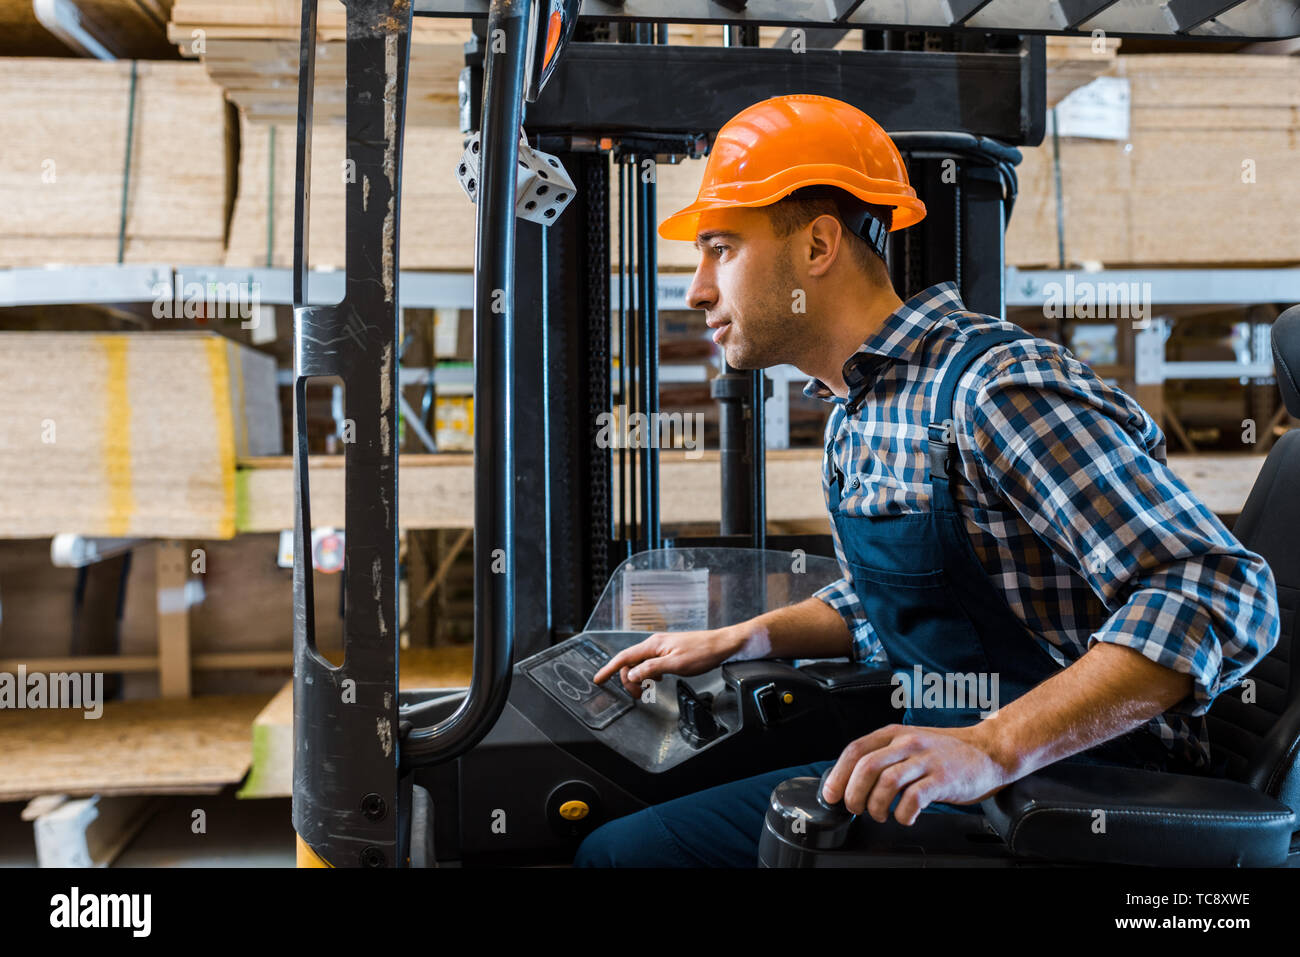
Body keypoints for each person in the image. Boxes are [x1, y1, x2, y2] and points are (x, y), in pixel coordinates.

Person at [574, 94, 1280, 867]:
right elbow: (916, 598)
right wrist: (747, 636)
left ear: (817, 247)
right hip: (973, 760)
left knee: (618, 857)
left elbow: (1219, 587)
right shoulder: (858, 408)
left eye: (721, 248)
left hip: (1071, 788)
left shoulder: (995, 387)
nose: (697, 289)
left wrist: (989, 747)